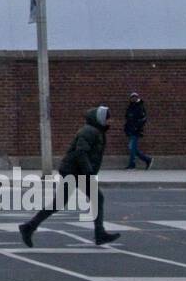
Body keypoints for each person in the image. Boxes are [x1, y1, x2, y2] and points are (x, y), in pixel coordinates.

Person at [19, 105, 120, 248]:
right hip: (74, 172)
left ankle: (29, 227)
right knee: (94, 198)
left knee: (62, 202)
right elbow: (80, 152)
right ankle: (99, 233)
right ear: (100, 119)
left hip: (76, 171)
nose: (111, 121)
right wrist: (88, 171)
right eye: (108, 118)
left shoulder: (96, 131)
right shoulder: (89, 131)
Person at [124, 92, 153, 170]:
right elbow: (127, 118)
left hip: (136, 130)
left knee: (132, 147)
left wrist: (137, 127)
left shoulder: (140, 107)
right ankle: (147, 159)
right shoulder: (130, 107)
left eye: (135, 97)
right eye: (132, 97)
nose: (134, 98)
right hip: (131, 130)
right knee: (132, 147)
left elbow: (143, 119)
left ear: (137, 98)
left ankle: (132, 165)